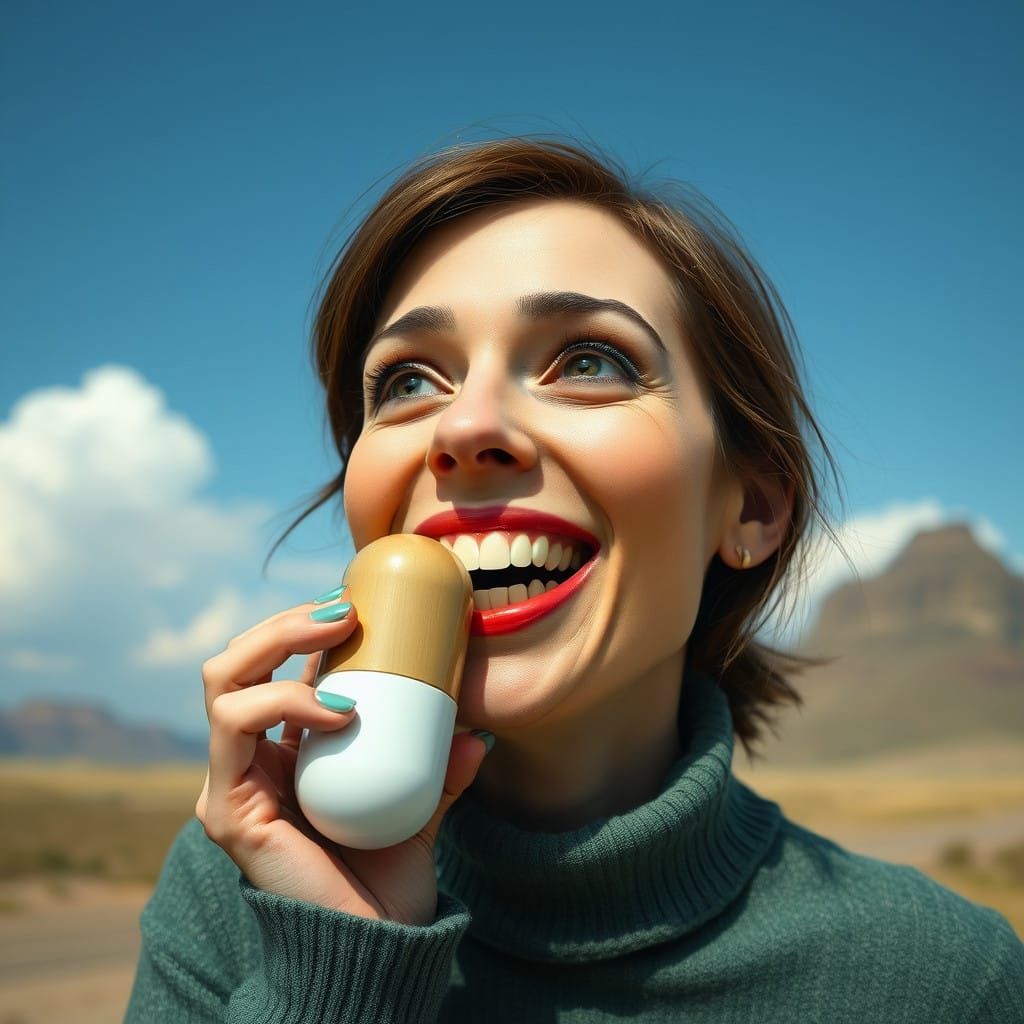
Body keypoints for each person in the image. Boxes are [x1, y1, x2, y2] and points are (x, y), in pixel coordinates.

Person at [126, 137, 1023, 1022]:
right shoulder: (236, 882)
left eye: (590, 362)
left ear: (751, 507)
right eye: (406, 381)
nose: (466, 424)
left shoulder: (945, 982)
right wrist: (332, 973)